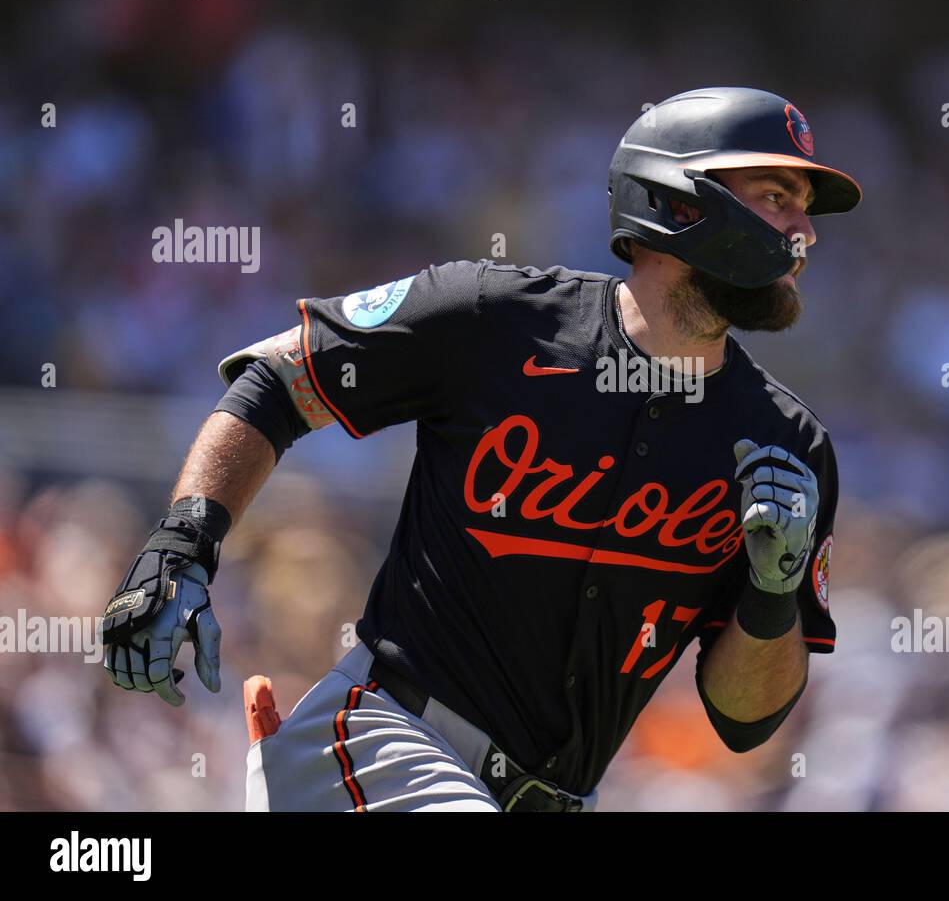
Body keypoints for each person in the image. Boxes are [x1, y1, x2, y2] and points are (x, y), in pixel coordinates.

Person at [100, 87, 861, 811]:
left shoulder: (787, 447)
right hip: (383, 740)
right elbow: (278, 381)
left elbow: (744, 719)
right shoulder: (488, 317)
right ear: (680, 202)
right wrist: (182, 544)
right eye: (776, 197)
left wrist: (770, 590)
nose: (805, 230)